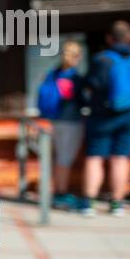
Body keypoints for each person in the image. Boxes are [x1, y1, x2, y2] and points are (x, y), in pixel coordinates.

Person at [79, 21, 130, 217]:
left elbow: (90, 85)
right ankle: (117, 204)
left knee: (95, 158)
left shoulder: (102, 60)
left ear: (110, 38)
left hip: (102, 116)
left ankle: (88, 203)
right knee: (121, 159)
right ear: (129, 37)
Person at [37, 40, 86, 208]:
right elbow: (82, 101)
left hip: (54, 121)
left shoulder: (53, 73)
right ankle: (60, 193)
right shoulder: (76, 78)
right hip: (71, 122)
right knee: (65, 160)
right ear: (77, 57)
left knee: (59, 158)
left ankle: (57, 191)